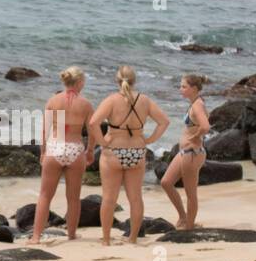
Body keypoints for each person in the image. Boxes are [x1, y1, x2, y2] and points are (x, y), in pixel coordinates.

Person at [87, 65, 169, 245]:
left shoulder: (111, 100)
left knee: (109, 198)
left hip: (113, 152)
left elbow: (93, 123)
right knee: (135, 197)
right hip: (137, 152)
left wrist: (101, 142)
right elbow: (164, 121)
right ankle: (132, 238)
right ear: (134, 81)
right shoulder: (144, 100)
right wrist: (149, 140)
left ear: (117, 81)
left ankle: (106, 239)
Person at [30, 67, 93, 243]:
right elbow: (92, 130)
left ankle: (36, 237)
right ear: (80, 82)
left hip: (55, 147)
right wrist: (90, 151)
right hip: (75, 148)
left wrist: (43, 152)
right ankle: (71, 234)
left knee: (44, 195)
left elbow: (45, 130)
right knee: (73, 198)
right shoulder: (86, 104)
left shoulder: (53, 101)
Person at [160, 74, 211, 229]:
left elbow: (206, 126)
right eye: (181, 86)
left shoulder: (197, 105)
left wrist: (195, 138)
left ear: (194, 88)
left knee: (190, 193)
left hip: (192, 154)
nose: (180, 89)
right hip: (185, 153)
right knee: (166, 182)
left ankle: (189, 227)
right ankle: (183, 217)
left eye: (184, 86)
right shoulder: (194, 103)